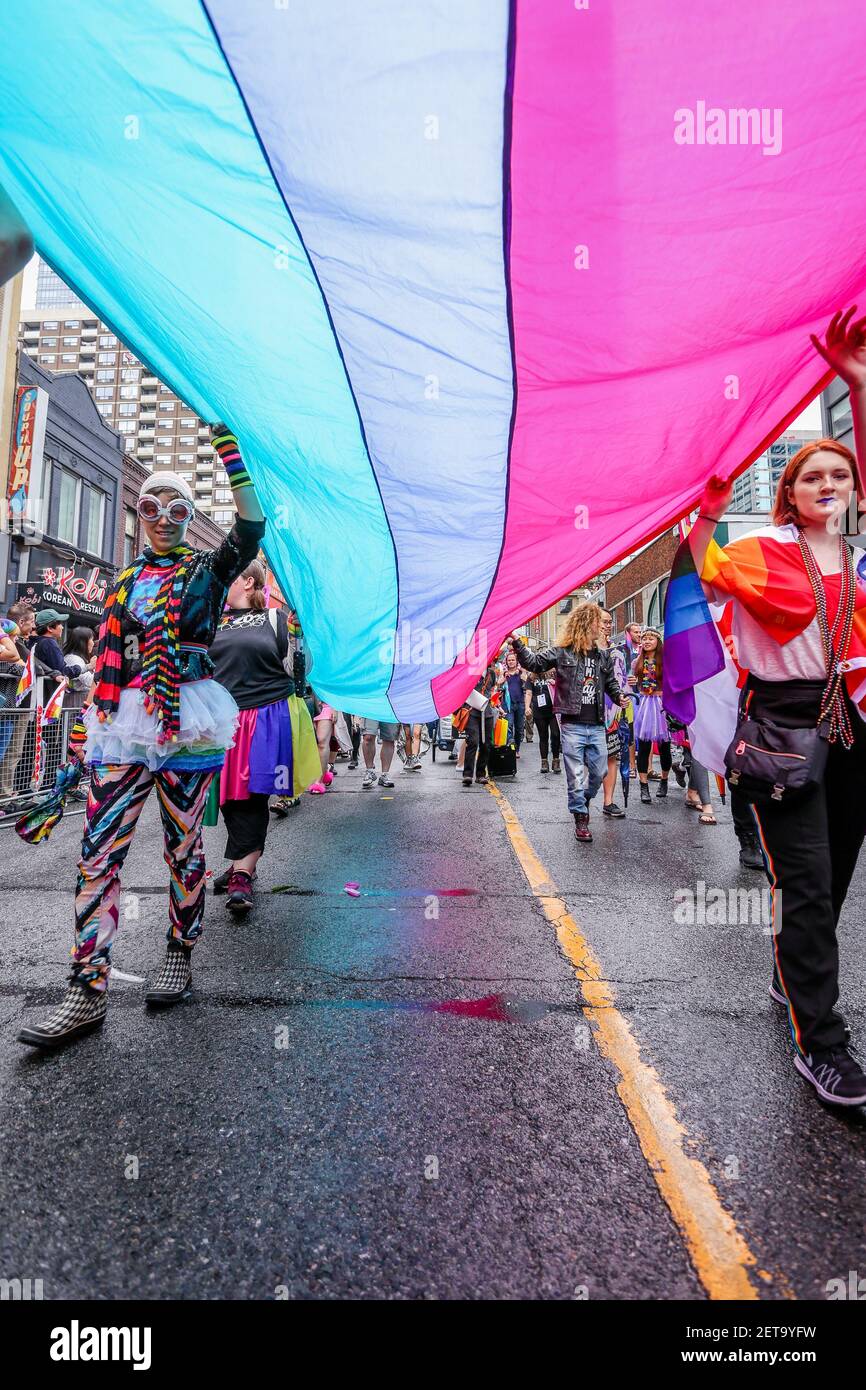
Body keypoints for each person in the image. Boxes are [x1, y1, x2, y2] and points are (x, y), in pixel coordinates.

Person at [17, 425, 266, 1049]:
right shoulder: (121, 583)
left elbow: (251, 530)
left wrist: (232, 461)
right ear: (139, 511)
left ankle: (179, 952)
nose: (162, 518)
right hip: (124, 726)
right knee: (98, 852)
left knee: (183, 846)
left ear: (188, 517)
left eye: (176, 509)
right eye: (151, 507)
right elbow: (111, 659)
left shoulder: (207, 575)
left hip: (185, 723)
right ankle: (86, 988)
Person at [681, 303, 866, 1105]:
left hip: (855, 724)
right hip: (784, 726)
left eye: (841, 473)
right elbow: (699, 561)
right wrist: (712, 508)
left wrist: (856, 382)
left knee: (835, 879)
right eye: (810, 475)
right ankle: (822, 1046)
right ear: (787, 495)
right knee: (811, 884)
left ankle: (789, 967)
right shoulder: (762, 552)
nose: (828, 483)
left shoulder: (862, 554)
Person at [208, 560, 319, 913]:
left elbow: (300, 670)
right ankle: (242, 858)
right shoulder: (214, 621)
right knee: (227, 796)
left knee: (253, 796)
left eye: (230, 575)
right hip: (222, 722)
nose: (223, 582)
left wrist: (301, 634)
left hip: (266, 718)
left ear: (249, 581)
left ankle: (243, 873)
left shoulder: (275, 620)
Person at [512, 602, 625, 843]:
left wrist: (618, 696)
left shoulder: (602, 655)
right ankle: (581, 818)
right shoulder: (562, 651)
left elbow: (611, 682)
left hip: (596, 724)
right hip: (572, 724)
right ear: (587, 623)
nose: (603, 627)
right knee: (574, 774)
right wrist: (517, 642)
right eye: (599, 622)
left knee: (599, 771)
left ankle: (582, 799)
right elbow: (533, 663)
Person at [628, 628, 671, 804]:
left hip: (662, 704)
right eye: (644, 638)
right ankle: (643, 786)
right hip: (645, 703)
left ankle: (664, 780)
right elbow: (632, 683)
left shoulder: (666, 660)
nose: (646, 641)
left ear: (657, 641)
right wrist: (632, 682)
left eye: (650, 638)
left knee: (665, 747)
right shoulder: (636, 662)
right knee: (644, 747)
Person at [599, 609, 627, 818]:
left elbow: (622, 680)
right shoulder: (583, 650)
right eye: (604, 622)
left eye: (610, 622)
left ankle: (608, 801)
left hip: (612, 712)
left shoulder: (618, 653)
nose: (608, 626)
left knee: (611, 755)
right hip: (588, 712)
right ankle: (582, 800)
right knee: (588, 758)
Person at [460, 663, 499, 788]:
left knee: (487, 744)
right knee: (473, 741)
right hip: (472, 711)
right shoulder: (470, 672)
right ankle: (468, 774)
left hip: (487, 712)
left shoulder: (491, 673)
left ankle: (481, 774)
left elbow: (492, 690)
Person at [526, 670, 560, 773]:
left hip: (554, 710)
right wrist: (527, 707)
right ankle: (544, 762)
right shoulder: (531, 677)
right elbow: (528, 693)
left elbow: (565, 686)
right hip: (539, 711)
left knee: (555, 734)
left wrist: (556, 684)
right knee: (543, 736)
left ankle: (556, 760)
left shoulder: (554, 673)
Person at [501, 648, 527, 756]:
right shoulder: (504, 674)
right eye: (509, 660)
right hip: (508, 704)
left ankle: (517, 749)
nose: (511, 662)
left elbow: (527, 684)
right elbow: (497, 685)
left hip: (520, 703)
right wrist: (502, 680)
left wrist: (523, 674)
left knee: (519, 728)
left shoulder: (521, 672)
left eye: (513, 660)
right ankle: (511, 748)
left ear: (516, 661)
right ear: (506, 662)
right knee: (509, 726)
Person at [361, 718, 399, 789]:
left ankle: (385, 774)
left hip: (389, 709)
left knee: (389, 739)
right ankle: (369, 771)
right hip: (370, 708)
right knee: (368, 737)